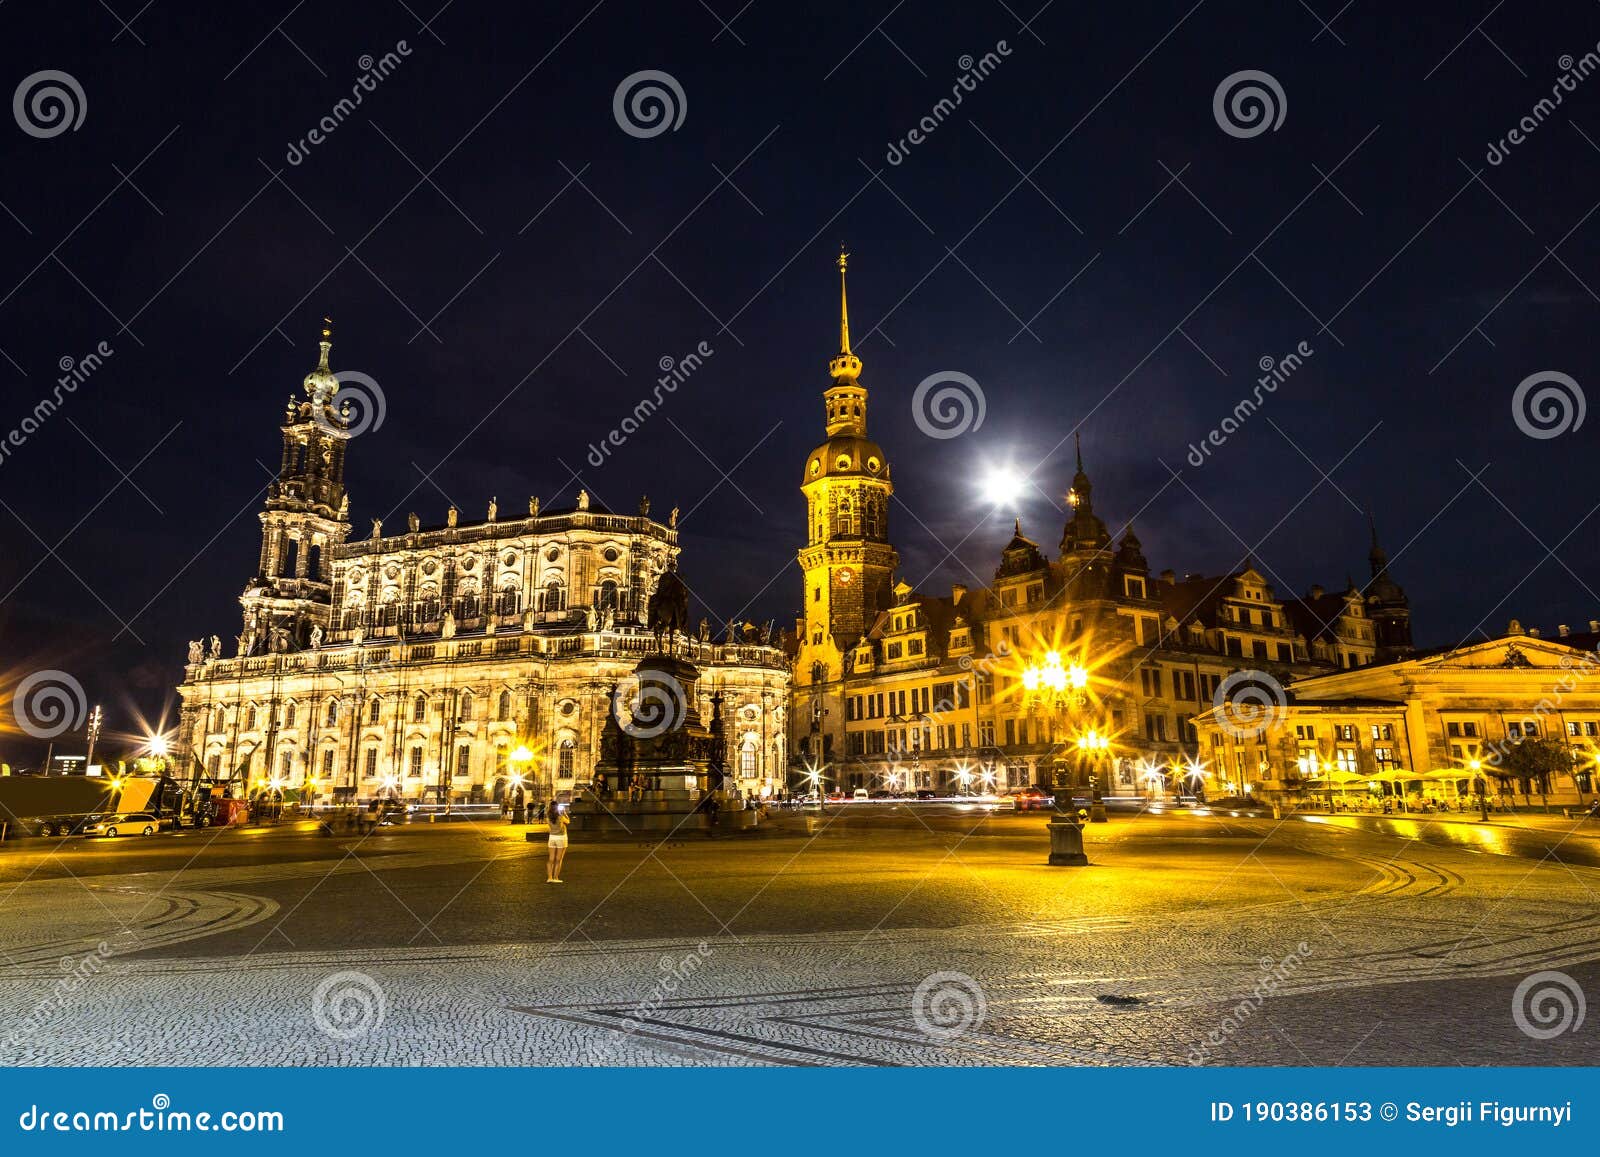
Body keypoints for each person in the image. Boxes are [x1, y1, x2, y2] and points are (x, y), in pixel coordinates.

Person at [547, 800, 570, 883]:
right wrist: (564, 813)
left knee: (551, 859)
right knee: (558, 859)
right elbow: (568, 821)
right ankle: (556, 878)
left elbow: (549, 828)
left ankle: (549, 878)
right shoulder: (560, 817)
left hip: (552, 837)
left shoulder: (548, 817)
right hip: (561, 837)